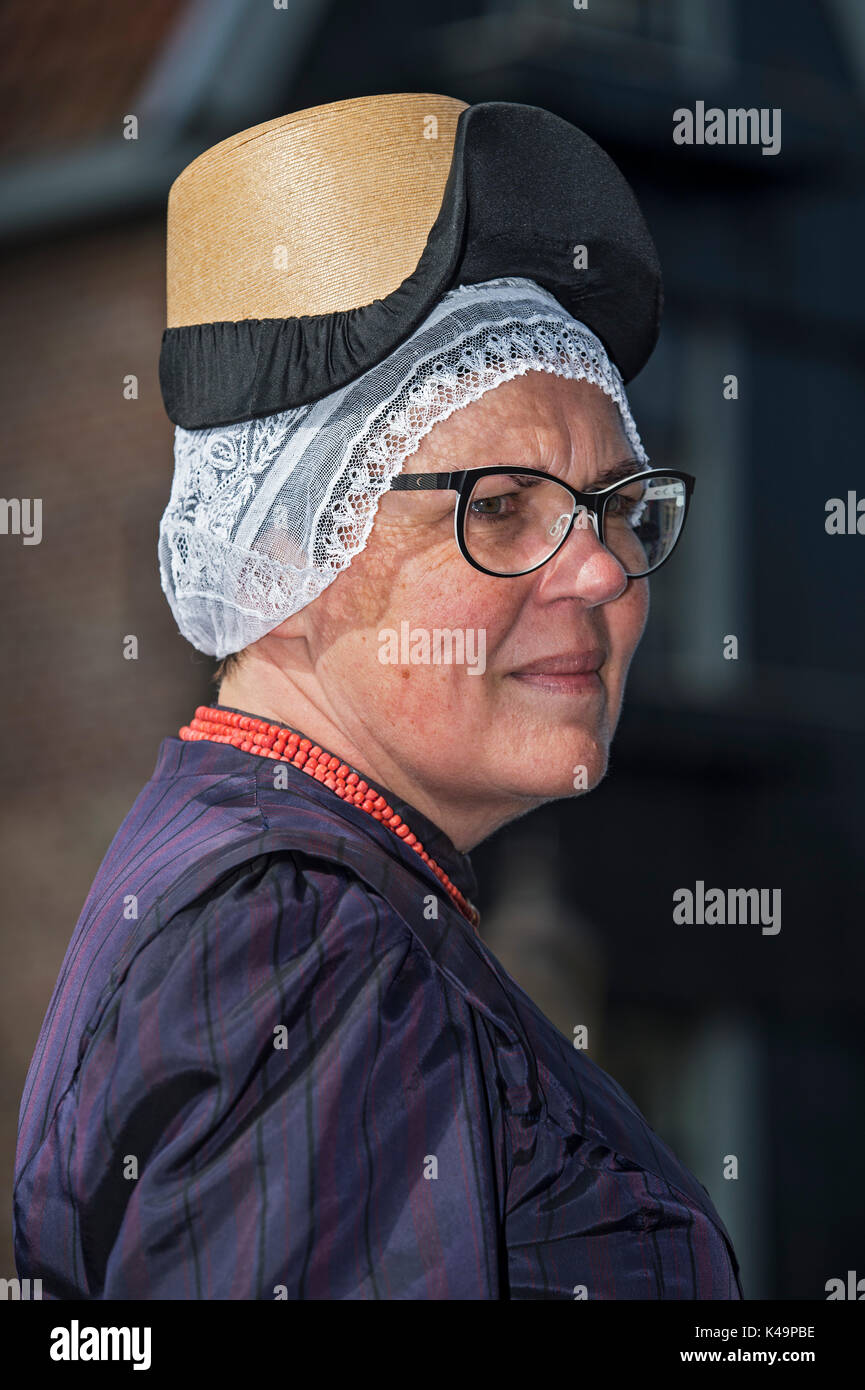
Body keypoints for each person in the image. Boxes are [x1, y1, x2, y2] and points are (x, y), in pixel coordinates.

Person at [13, 93, 741, 1299]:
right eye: (499, 505)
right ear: (286, 554)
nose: (606, 566)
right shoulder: (296, 945)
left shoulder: (306, 888)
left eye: (613, 504)